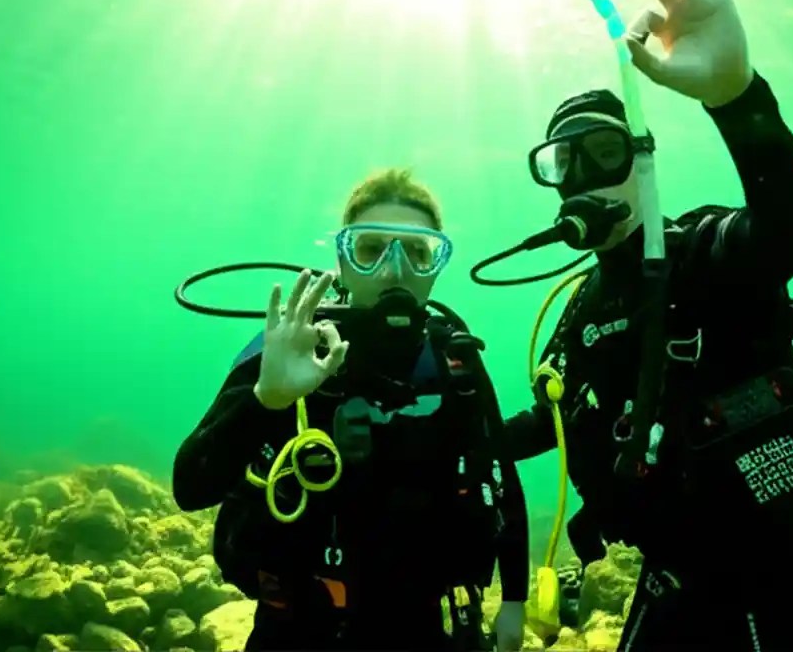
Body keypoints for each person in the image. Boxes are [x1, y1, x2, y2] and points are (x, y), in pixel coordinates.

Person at [501, 0, 793, 650]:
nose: (583, 176)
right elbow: (545, 419)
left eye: (605, 152)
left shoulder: (705, 253)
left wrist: (737, 99)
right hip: (670, 572)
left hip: (771, 568)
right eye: (561, 161)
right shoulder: (578, 314)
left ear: (642, 162)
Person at [173, 168, 529, 652]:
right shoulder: (290, 350)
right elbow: (191, 486)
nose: (394, 268)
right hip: (293, 629)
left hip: (417, 626)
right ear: (342, 262)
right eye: (370, 249)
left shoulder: (455, 364)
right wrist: (265, 400)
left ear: (436, 265)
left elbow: (502, 480)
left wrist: (514, 601)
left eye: (417, 252)